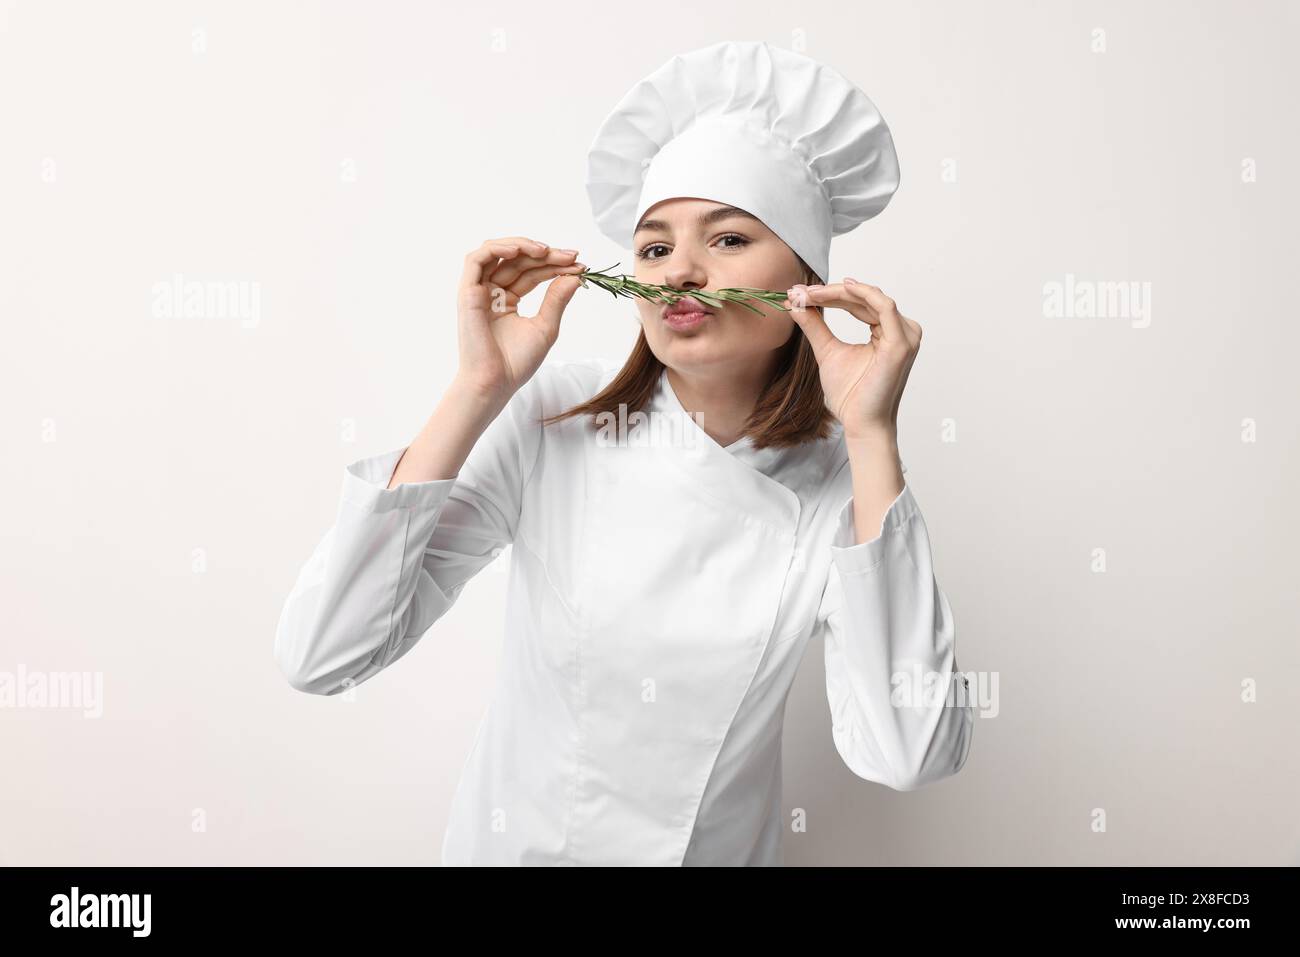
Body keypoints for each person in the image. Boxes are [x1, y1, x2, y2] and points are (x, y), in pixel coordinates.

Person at [274, 40, 973, 866]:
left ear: (805, 284)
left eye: (729, 239)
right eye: (653, 248)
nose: (680, 270)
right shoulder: (551, 418)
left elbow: (909, 751)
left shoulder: (836, 489)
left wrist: (870, 435)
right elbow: (323, 655)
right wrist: (477, 388)